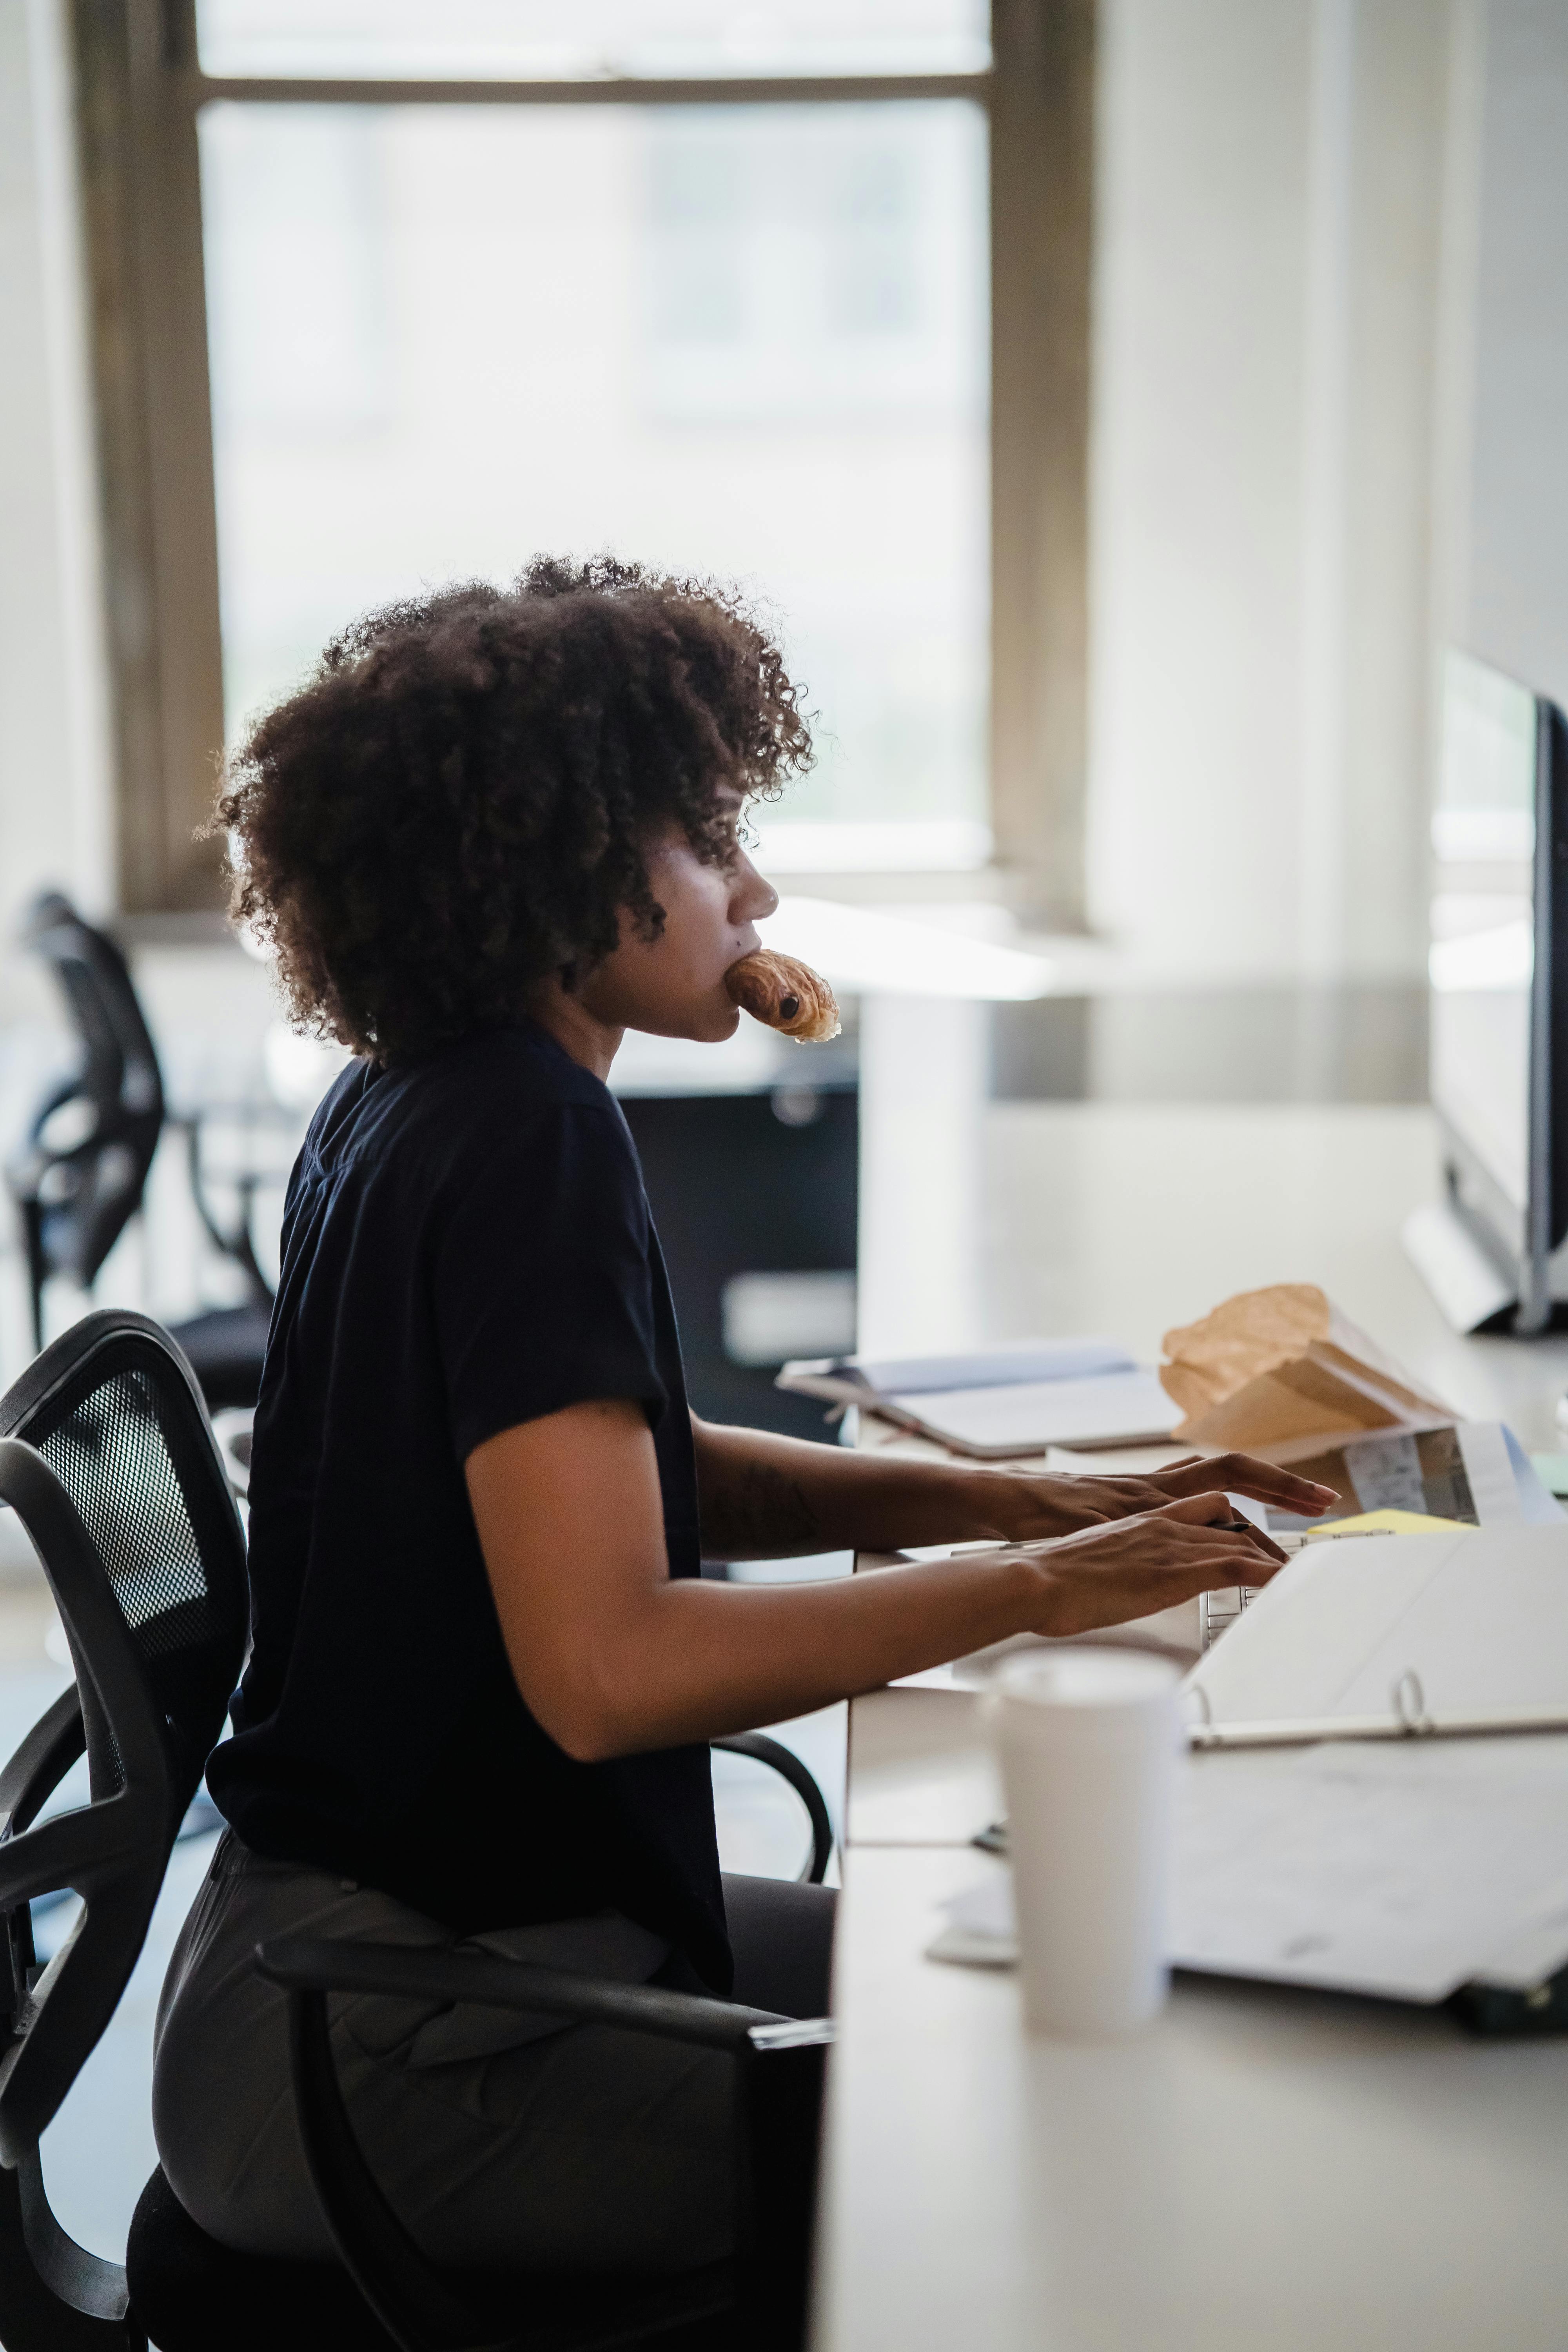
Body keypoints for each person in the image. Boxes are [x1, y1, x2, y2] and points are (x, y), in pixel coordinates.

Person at [152, 557, 1333, 2284]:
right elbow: (609, 1665)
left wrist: (1033, 1509)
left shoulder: (419, 1093)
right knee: (1019, 2150)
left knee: (994, 1986)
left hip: (329, 1974)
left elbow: (636, 1476)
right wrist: (1045, 1599)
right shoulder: (527, 1143)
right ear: (556, 865)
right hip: (386, 2048)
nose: (755, 884)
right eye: (706, 840)